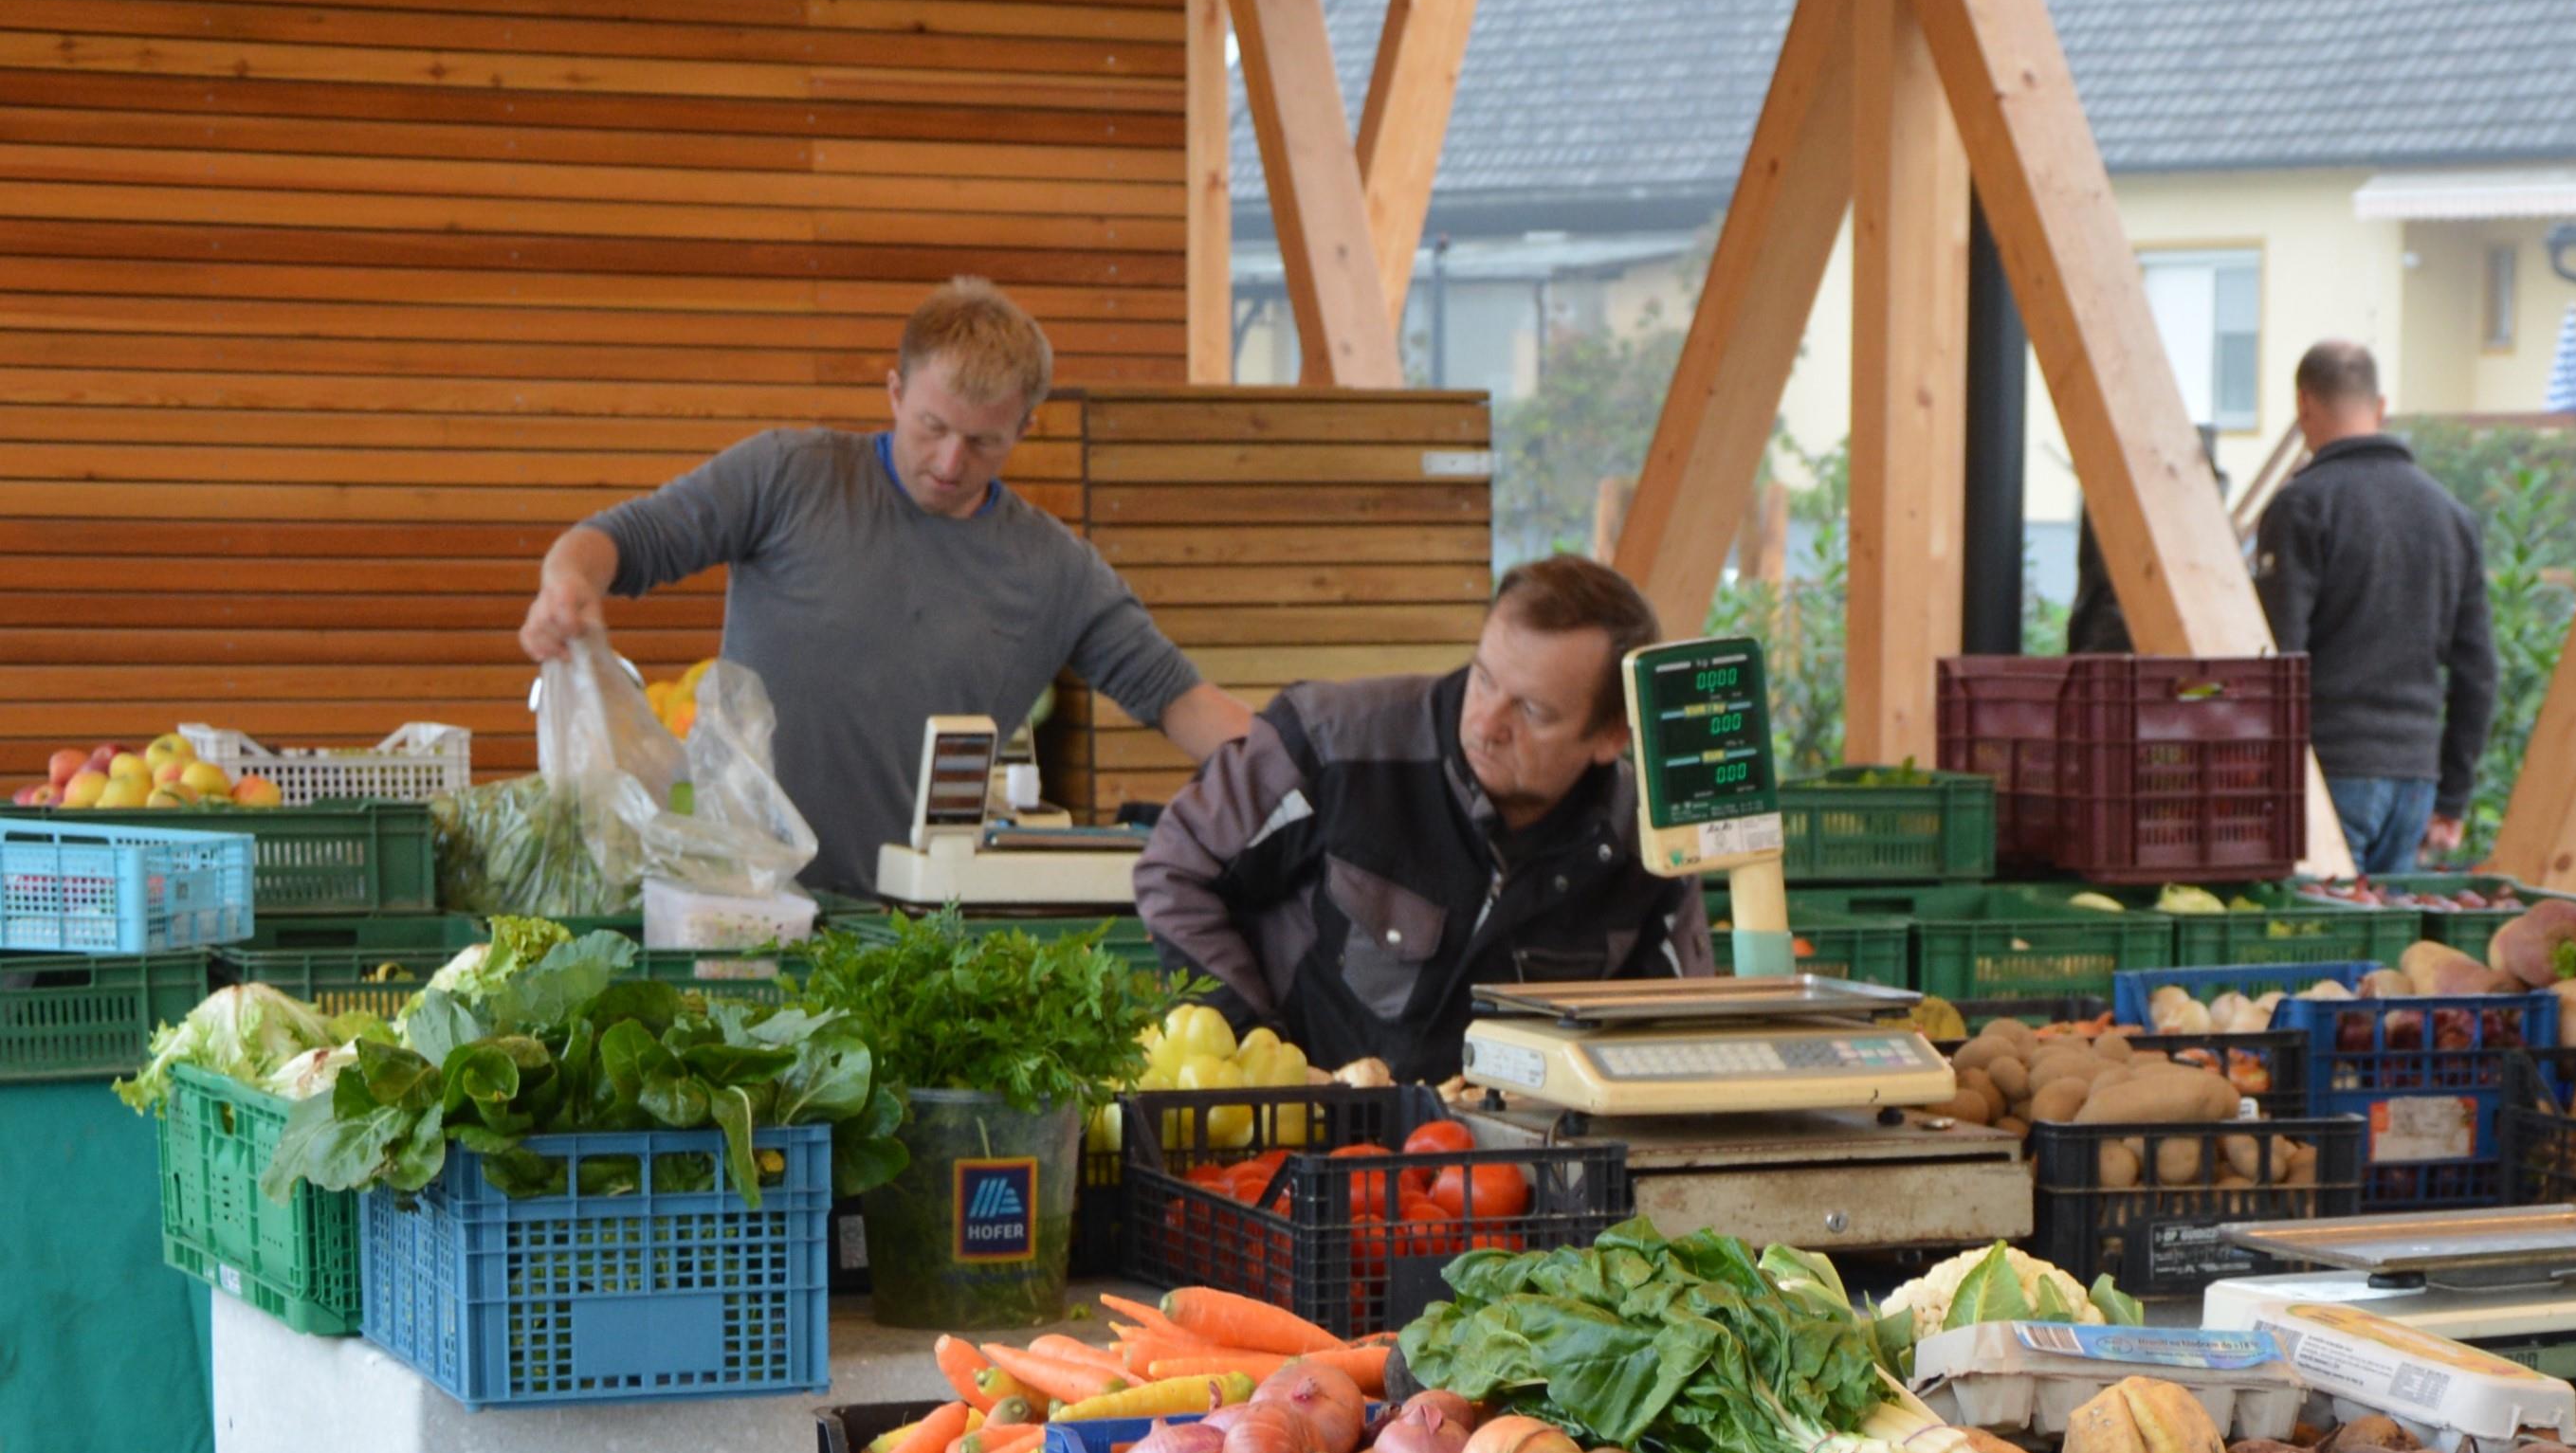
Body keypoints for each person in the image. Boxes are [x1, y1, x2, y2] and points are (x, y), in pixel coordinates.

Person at [521, 277, 1252, 897]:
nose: (949, 460)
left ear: (1027, 428)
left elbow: (1180, 697)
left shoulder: (1055, 571)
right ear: (896, 391)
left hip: (915, 927)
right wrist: (567, 581)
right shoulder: (790, 477)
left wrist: (1301, 766)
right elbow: (627, 537)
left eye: (983, 441)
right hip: (740, 904)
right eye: (932, 426)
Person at [1130, 554, 1710, 1085]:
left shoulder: (1651, 848)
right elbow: (1177, 868)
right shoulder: (1335, 745)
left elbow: (1682, 1040)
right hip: (1303, 1151)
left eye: (1532, 710)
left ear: (1611, 736)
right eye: (1484, 678)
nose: (1486, 724)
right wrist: (1263, 1058)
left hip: (1512, 1176)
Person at [2249, 340, 2494, 879]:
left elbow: (2276, 656)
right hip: (2415, 777)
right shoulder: (2450, 516)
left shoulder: (2302, 506)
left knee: (2319, 949)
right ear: (2379, 407)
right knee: (2386, 955)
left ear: (2304, 405)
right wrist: (2451, 795)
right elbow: (2478, 672)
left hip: (2330, 770)